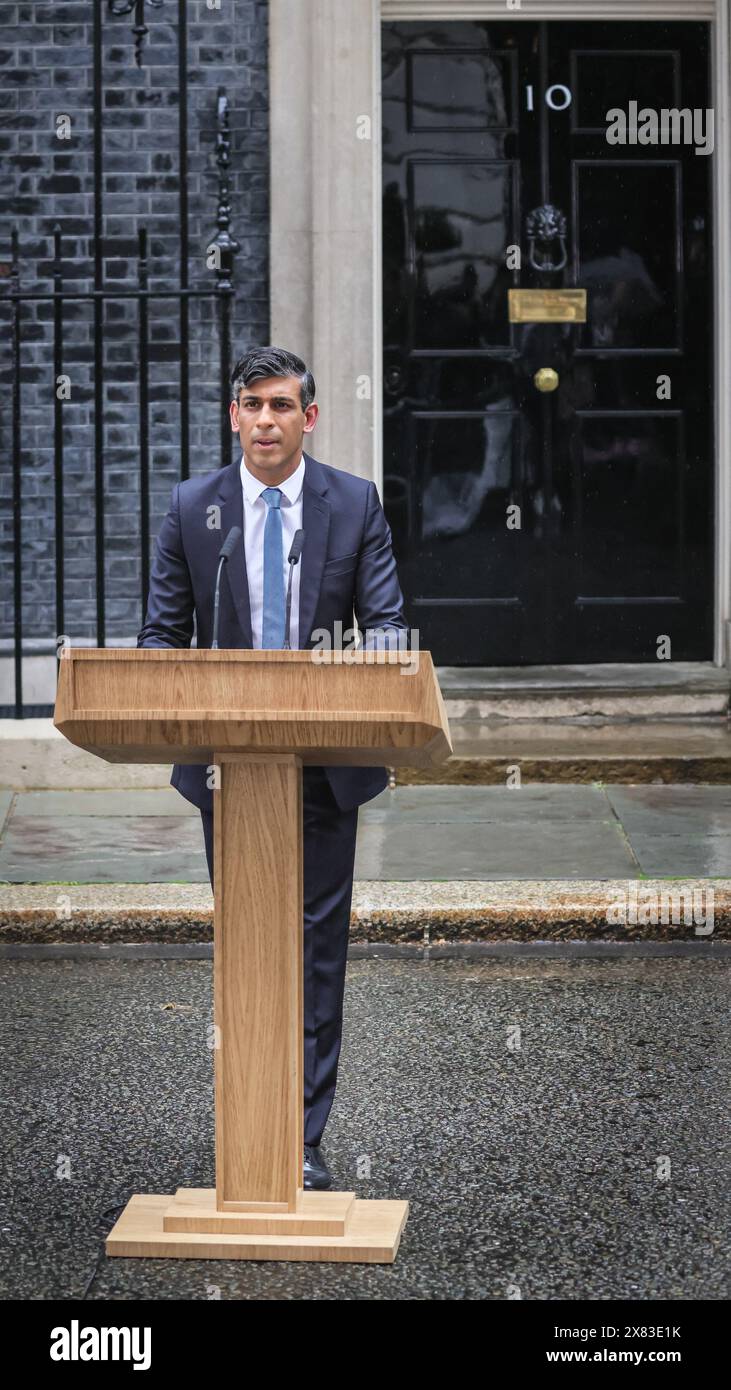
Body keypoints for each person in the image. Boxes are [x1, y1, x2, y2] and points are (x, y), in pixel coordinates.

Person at [137, 345, 408, 1190]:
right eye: (251, 405)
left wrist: (381, 675)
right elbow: (159, 640)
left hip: (325, 764)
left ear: (308, 418)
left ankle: (304, 1136)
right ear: (233, 416)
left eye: (282, 406)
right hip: (229, 767)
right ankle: (249, 1121)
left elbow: (388, 625)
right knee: (249, 944)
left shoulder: (354, 504)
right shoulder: (193, 510)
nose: (265, 420)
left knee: (315, 948)